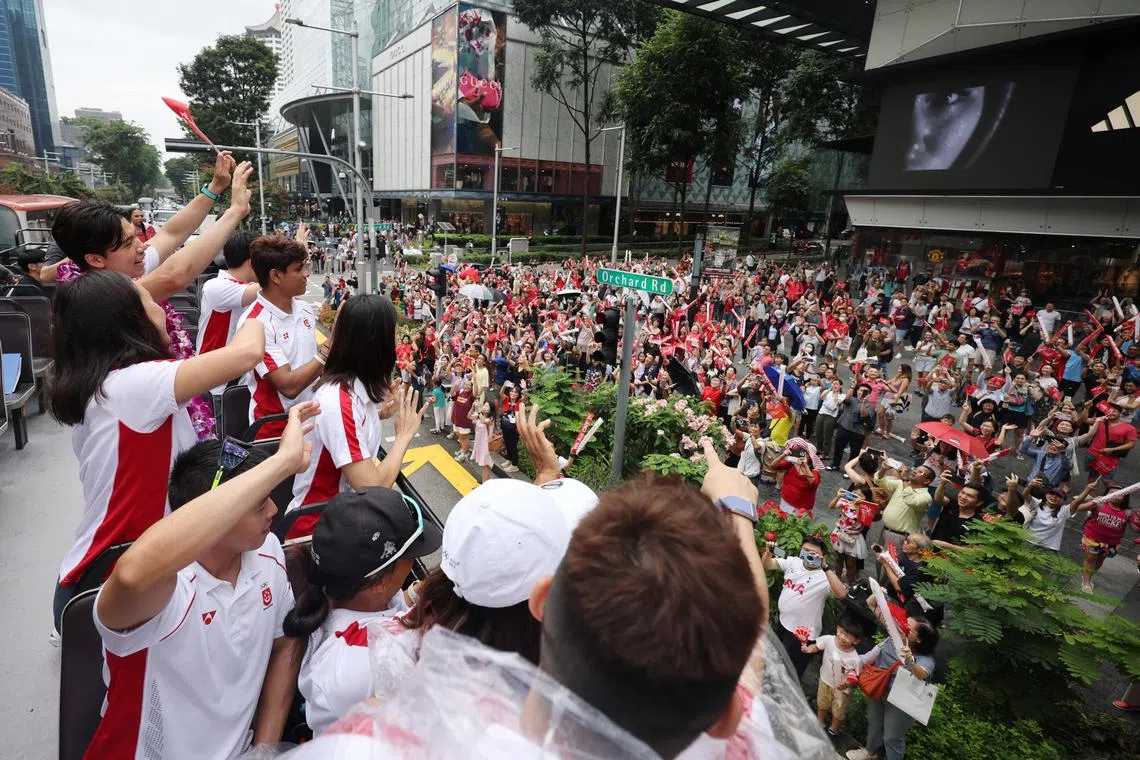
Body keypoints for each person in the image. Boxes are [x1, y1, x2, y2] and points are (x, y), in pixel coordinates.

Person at [86, 402, 318, 759]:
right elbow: (131, 576)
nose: (274, 510)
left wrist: (264, 749)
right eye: (259, 504)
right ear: (216, 518)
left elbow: (285, 643)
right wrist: (282, 462)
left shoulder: (267, 551)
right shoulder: (167, 587)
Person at [49, 271, 264, 637]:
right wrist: (264, 309)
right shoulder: (136, 385)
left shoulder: (108, 384)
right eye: (149, 300)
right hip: (116, 578)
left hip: (109, 572)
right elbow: (246, 354)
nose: (163, 308)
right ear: (129, 320)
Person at [285, 487, 443, 735]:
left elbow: (389, 607)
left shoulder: (342, 598)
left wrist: (414, 592)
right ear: (379, 582)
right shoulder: (365, 659)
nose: (414, 562)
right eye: (410, 556)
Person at [287, 295, 424, 538]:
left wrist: (379, 414)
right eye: (391, 337)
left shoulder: (348, 389)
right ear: (376, 346)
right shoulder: (338, 402)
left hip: (340, 520)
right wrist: (404, 435)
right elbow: (373, 488)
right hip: (319, 531)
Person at [237, 235, 323, 440]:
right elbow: (288, 386)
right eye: (298, 269)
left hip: (314, 418)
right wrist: (332, 345)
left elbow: (314, 363)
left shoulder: (303, 308)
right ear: (275, 276)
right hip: (276, 430)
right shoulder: (254, 324)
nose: (306, 274)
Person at [846, 607, 940, 760]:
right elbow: (872, 603)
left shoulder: (926, 660)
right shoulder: (893, 639)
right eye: (903, 623)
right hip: (879, 688)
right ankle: (870, 752)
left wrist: (910, 660)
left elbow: (921, 674)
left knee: (892, 737)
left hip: (900, 702)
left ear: (918, 639)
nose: (901, 626)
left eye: (907, 627)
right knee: (874, 722)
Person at [762, 534, 849, 678]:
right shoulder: (793, 562)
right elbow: (767, 565)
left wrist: (826, 568)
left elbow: (842, 594)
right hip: (783, 622)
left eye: (814, 553)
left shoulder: (825, 577)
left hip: (803, 634)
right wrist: (768, 553)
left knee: (792, 671)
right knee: (774, 659)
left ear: (824, 557)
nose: (809, 555)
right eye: (805, 550)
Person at [801, 615, 868, 737]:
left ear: (856, 641)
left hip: (842, 690)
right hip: (825, 680)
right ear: (837, 628)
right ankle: (820, 722)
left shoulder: (855, 659)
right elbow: (816, 646)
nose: (842, 637)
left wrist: (846, 684)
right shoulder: (829, 640)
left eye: (847, 636)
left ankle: (834, 729)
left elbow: (854, 678)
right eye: (841, 632)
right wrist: (809, 649)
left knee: (838, 711)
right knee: (822, 703)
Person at [1078, 487, 1133, 592]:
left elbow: (1135, 529)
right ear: (1106, 494)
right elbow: (1078, 508)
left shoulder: (1127, 512)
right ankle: (1086, 582)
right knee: (1090, 559)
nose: (1115, 495)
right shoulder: (1099, 504)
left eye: (1120, 494)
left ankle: (1087, 574)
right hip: (1092, 538)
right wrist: (1093, 502)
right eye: (1111, 492)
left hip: (1111, 543)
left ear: (1125, 498)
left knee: (1099, 561)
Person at [874, 462, 935, 556]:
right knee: (880, 561)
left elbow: (911, 500)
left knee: (890, 564)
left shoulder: (926, 496)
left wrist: (905, 479)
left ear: (927, 481)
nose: (914, 471)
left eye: (920, 472)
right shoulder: (901, 483)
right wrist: (883, 469)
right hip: (885, 530)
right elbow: (879, 481)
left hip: (900, 536)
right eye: (915, 469)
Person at [772, 437, 822, 518]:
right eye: (801, 451)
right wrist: (783, 455)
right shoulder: (792, 463)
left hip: (801, 510)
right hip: (785, 502)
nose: (802, 454)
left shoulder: (815, 471)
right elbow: (774, 466)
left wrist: (805, 466)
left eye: (805, 453)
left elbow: (813, 483)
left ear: (811, 457)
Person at [830, 383, 876, 470]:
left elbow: (864, 415)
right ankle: (835, 464)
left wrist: (863, 402)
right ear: (857, 391)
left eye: (865, 391)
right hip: (844, 427)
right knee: (838, 447)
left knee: (854, 452)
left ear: (869, 394)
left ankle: (849, 469)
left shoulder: (870, 406)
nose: (862, 392)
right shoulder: (852, 399)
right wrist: (852, 386)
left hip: (858, 432)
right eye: (860, 390)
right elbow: (846, 399)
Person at [471, 399, 495, 482]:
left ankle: (485, 483)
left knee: (485, 465)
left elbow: (483, 421)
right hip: (479, 442)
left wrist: (478, 411)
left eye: (487, 406)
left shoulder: (491, 419)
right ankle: (485, 480)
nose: (484, 407)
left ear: (491, 409)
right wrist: (473, 407)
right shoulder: (479, 415)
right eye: (484, 405)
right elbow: (468, 416)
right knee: (484, 464)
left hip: (486, 444)